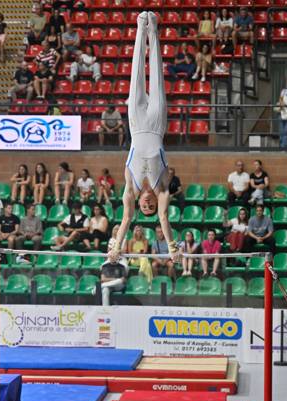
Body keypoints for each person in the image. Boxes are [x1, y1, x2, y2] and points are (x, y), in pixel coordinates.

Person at [111, 12, 179, 265]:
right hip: (158, 126)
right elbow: (164, 218)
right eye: (151, 207)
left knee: (136, 76)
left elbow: (126, 219)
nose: (150, 204)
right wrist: (173, 248)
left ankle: (140, 27)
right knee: (157, 76)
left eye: (146, 207)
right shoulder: (162, 191)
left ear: (139, 202)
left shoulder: (131, 190)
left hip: (137, 125)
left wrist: (117, 247)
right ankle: (154, 30)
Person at [100, 226, 127, 306]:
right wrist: (113, 253)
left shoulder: (124, 239)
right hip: (112, 257)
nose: (117, 231)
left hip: (121, 257)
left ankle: (99, 287)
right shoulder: (111, 239)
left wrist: (115, 252)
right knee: (105, 290)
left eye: (118, 229)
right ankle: (106, 310)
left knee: (120, 279)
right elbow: (109, 251)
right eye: (115, 229)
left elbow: (123, 250)